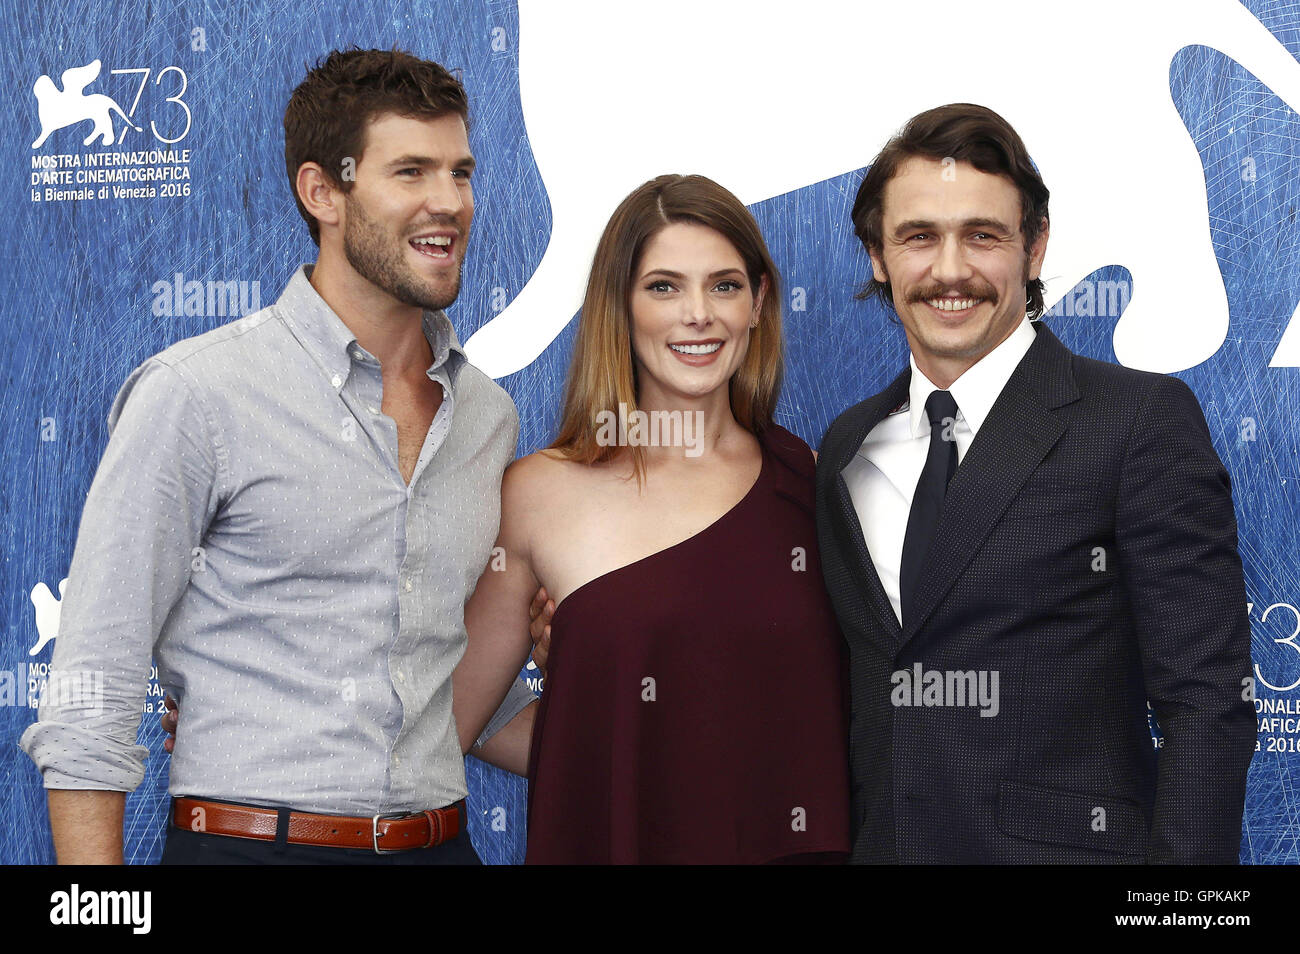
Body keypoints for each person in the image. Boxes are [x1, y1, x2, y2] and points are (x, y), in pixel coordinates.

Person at [20, 48, 540, 865]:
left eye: (461, 172)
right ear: (322, 192)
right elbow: (93, 686)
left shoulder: (487, 416)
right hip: (252, 849)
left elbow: (436, 675)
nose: (450, 203)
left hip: (443, 846)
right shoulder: (198, 393)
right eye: (411, 171)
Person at [813, 103, 1255, 863]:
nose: (950, 270)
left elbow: (1208, 703)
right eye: (919, 236)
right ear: (877, 256)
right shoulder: (849, 445)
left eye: (982, 235)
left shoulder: (1136, 421)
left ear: (1035, 245)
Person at [452, 174, 851, 864]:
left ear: (758, 304)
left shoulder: (816, 485)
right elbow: (452, 718)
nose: (698, 313)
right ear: (619, 306)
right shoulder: (540, 494)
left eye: (724, 285)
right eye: (664, 286)